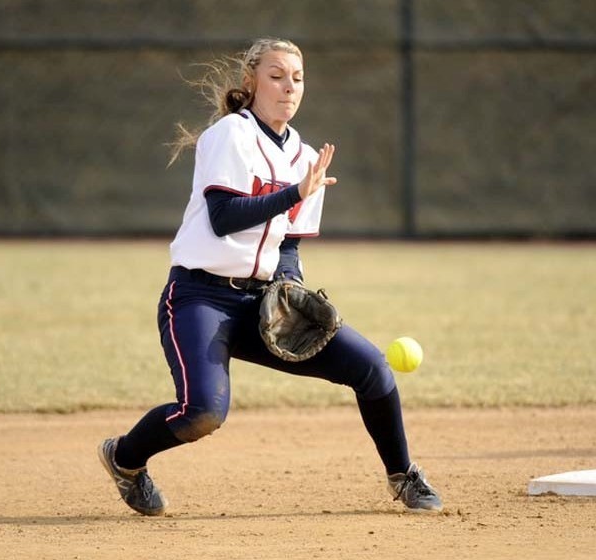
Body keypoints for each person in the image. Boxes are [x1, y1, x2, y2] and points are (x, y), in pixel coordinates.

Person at [97, 37, 442, 515]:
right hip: (199, 297)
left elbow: (288, 244)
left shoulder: (306, 157)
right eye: (276, 76)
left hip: (260, 305)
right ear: (251, 83)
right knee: (203, 413)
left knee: (372, 368)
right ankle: (125, 458)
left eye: (297, 78)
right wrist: (294, 192)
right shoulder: (230, 135)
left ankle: (403, 475)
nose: (288, 87)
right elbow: (223, 216)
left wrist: (289, 287)